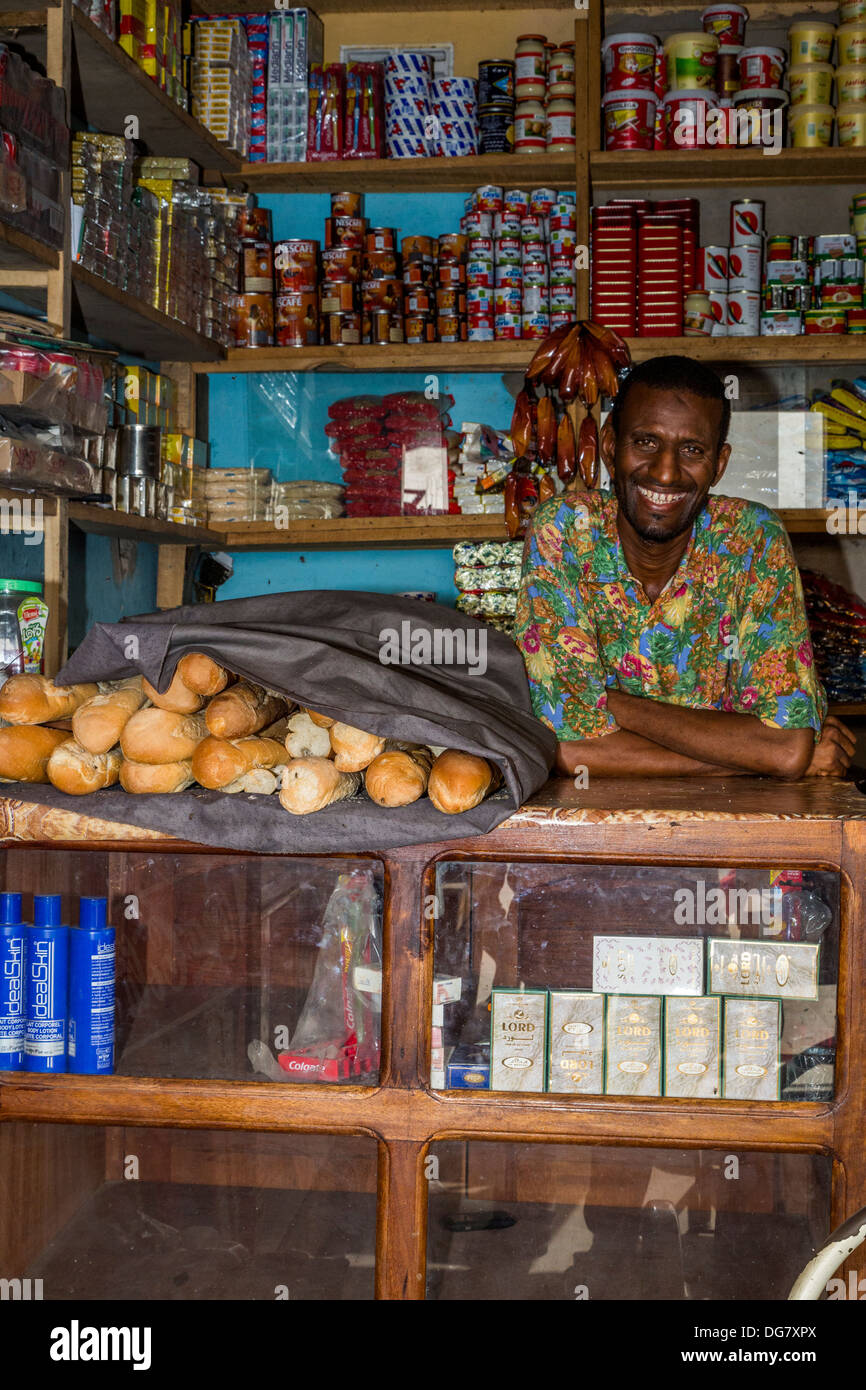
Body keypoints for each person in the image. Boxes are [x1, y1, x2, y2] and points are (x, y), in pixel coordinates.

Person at [515, 354, 856, 780]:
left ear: (719, 464)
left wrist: (611, 703)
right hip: (593, 828)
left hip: (746, 829)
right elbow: (568, 751)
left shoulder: (752, 538)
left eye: (692, 450)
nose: (665, 472)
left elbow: (784, 746)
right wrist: (760, 759)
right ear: (608, 446)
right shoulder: (564, 533)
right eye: (645, 442)